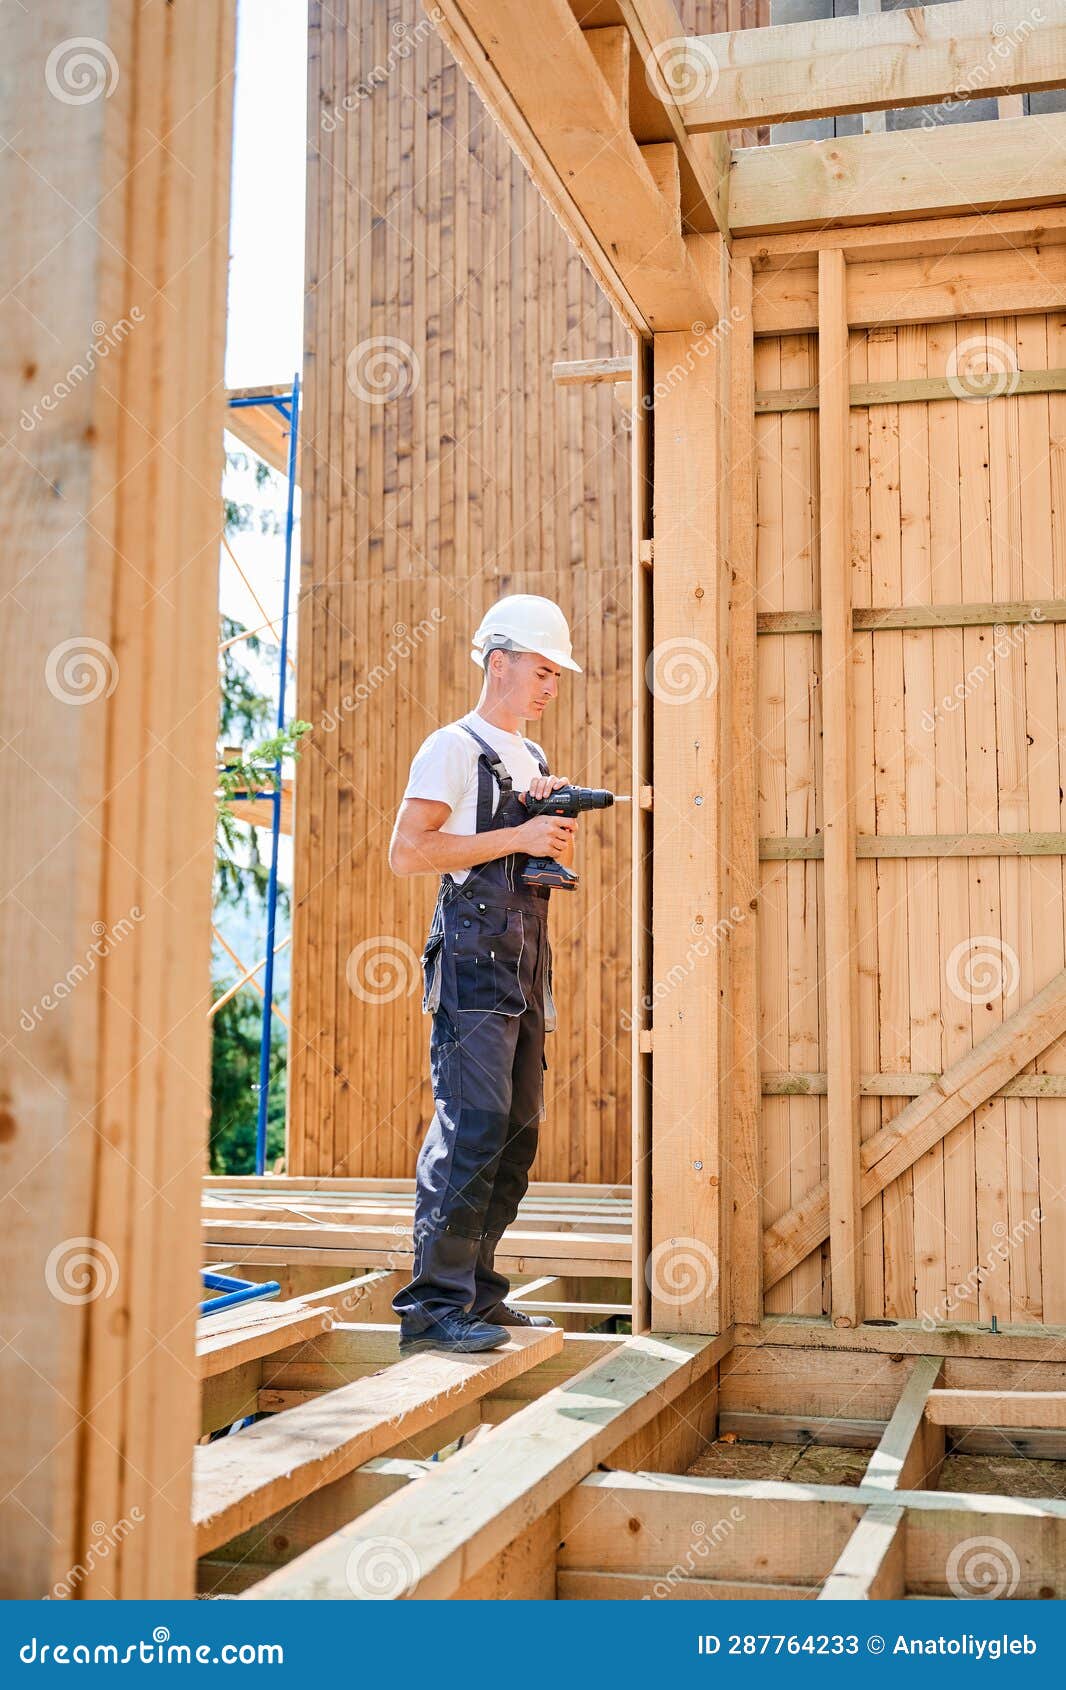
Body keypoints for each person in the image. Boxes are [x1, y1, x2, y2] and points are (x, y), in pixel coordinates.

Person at [387, 595, 581, 1353]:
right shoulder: (452, 747)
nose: (550, 687)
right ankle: (433, 1309)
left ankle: (480, 1294)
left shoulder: (526, 757)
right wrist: (521, 833)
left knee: (514, 1133)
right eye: (541, 671)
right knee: (470, 1130)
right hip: (470, 966)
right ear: (499, 662)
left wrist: (537, 844)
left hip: (525, 964)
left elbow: (498, 846)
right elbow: (408, 852)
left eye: (555, 676)